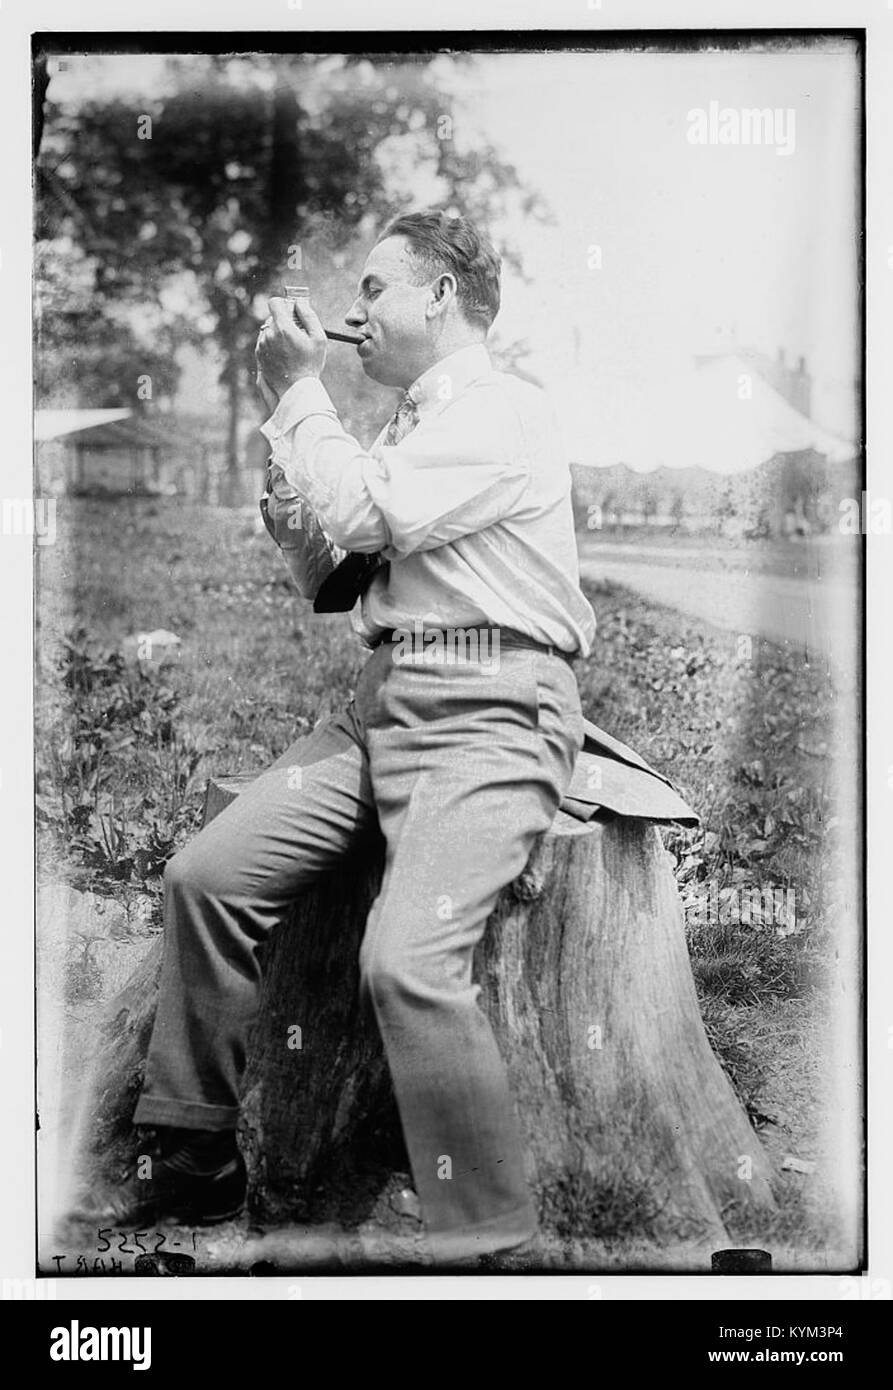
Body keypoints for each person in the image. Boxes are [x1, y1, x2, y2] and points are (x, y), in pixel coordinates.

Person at [98, 209, 598, 1264]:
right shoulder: (407, 426)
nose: (351, 308)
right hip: (378, 706)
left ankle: (491, 1243)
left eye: (374, 287)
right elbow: (330, 573)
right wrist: (290, 474)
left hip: (491, 710)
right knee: (205, 875)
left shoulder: (502, 409)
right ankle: (194, 1159)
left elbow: (370, 518)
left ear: (441, 297)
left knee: (404, 962)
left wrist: (295, 392)